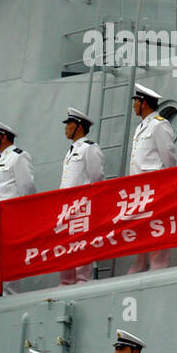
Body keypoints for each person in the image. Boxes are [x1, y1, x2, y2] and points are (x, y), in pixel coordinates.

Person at [127, 85, 177, 273]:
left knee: (156, 226)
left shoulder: (159, 124)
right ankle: (140, 263)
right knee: (141, 227)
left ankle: (158, 265)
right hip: (139, 188)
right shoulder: (141, 127)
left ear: (144, 103)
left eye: (136, 102)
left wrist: (166, 182)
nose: (134, 106)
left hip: (155, 184)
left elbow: (168, 155)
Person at [0, 120, 35, 297]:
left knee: (7, 259)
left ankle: (9, 294)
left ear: (4, 137)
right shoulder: (0, 159)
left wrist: (21, 216)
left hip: (6, 217)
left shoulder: (17, 156)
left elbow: (26, 187)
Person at [58, 108, 105, 284]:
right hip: (66, 206)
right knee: (66, 244)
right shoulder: (70, 151)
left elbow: (96, 177)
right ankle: (66, 280)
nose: (66, 128)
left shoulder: (89, 148)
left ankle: (82, 279)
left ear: (78, 126)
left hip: (82, 204)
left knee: (81, 243)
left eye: (69, 124)